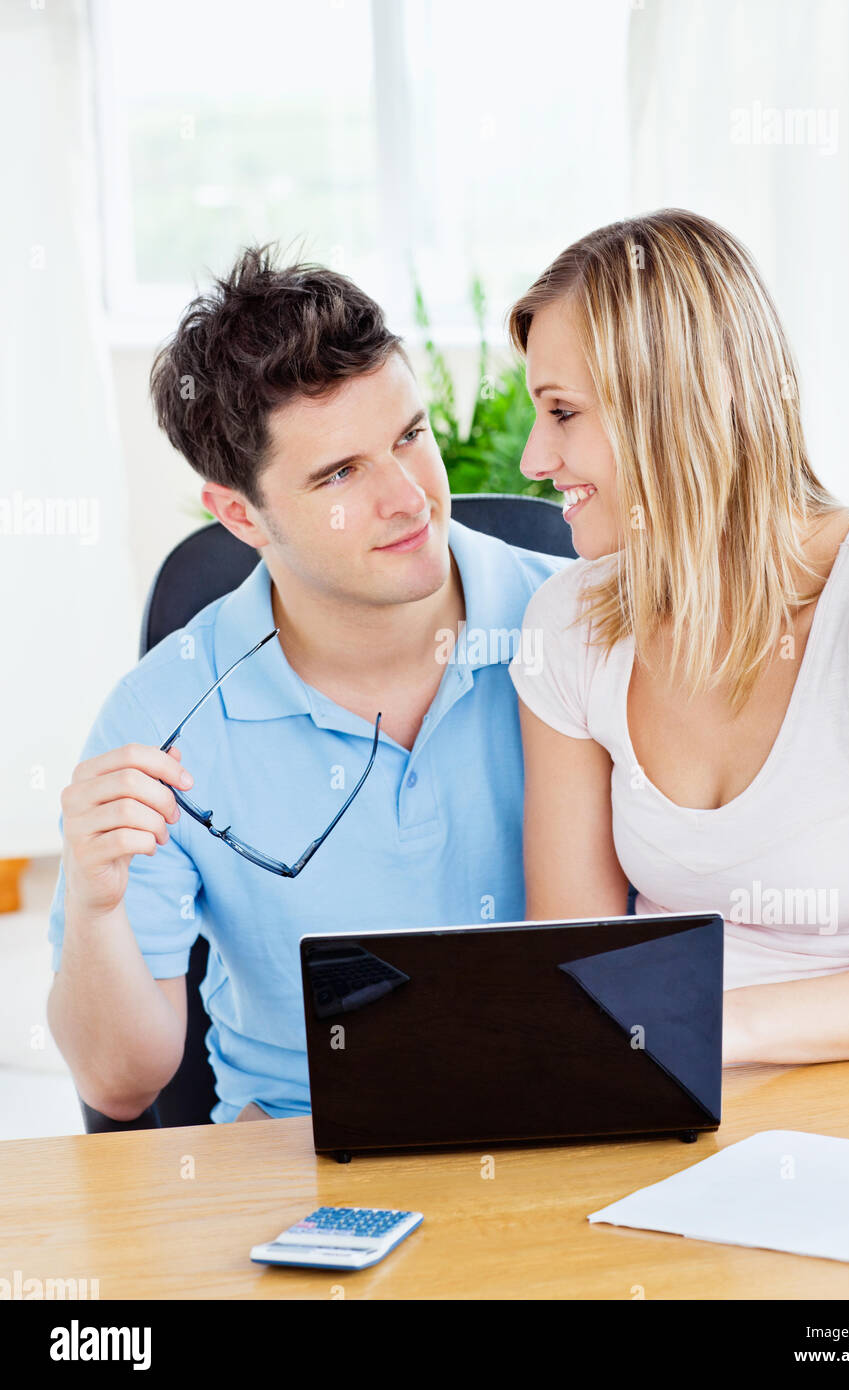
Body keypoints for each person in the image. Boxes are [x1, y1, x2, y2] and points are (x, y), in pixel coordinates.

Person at [47, 245, 568, 1124]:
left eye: (409, 436)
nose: (409, 499)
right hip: (303, 1156)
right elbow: (119, 1084)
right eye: (339, 474)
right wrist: (97, 912)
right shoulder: (161, 719)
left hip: (566, 1115)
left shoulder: (580, 626)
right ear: (241, 515)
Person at [507, 209, 849, 1067]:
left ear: (692, 401)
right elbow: (571, 966)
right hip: (669, 1097)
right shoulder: (570, 625)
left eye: (564, 412)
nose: (536, 458)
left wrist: (729, 1024)